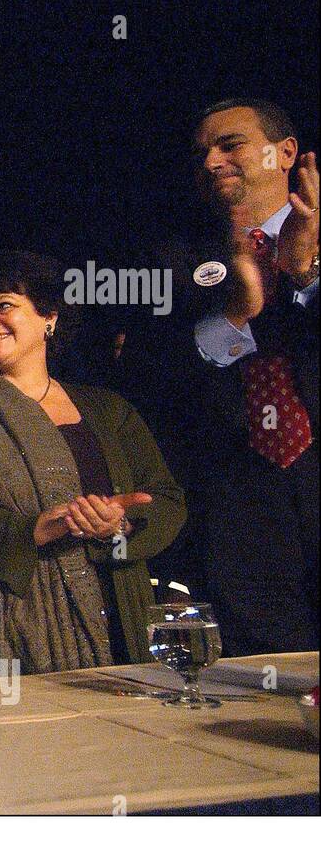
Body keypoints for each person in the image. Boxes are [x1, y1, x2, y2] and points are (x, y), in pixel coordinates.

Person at [0, 250, 186, 673]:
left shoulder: (108, 410)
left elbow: (167, 499)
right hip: (5, 634)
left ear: (49, 318)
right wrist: (28, 532)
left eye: (4, 305)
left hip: (120, 620)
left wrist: (121, 525)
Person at [139, 99, 317, 655]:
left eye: (230, 144)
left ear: (284, 152)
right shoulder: (173, 259)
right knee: (267, 673)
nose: (213, 161)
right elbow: (155, 377)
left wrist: (303, 275)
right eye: (202, 154)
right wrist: (236, 314)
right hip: (237, 491)